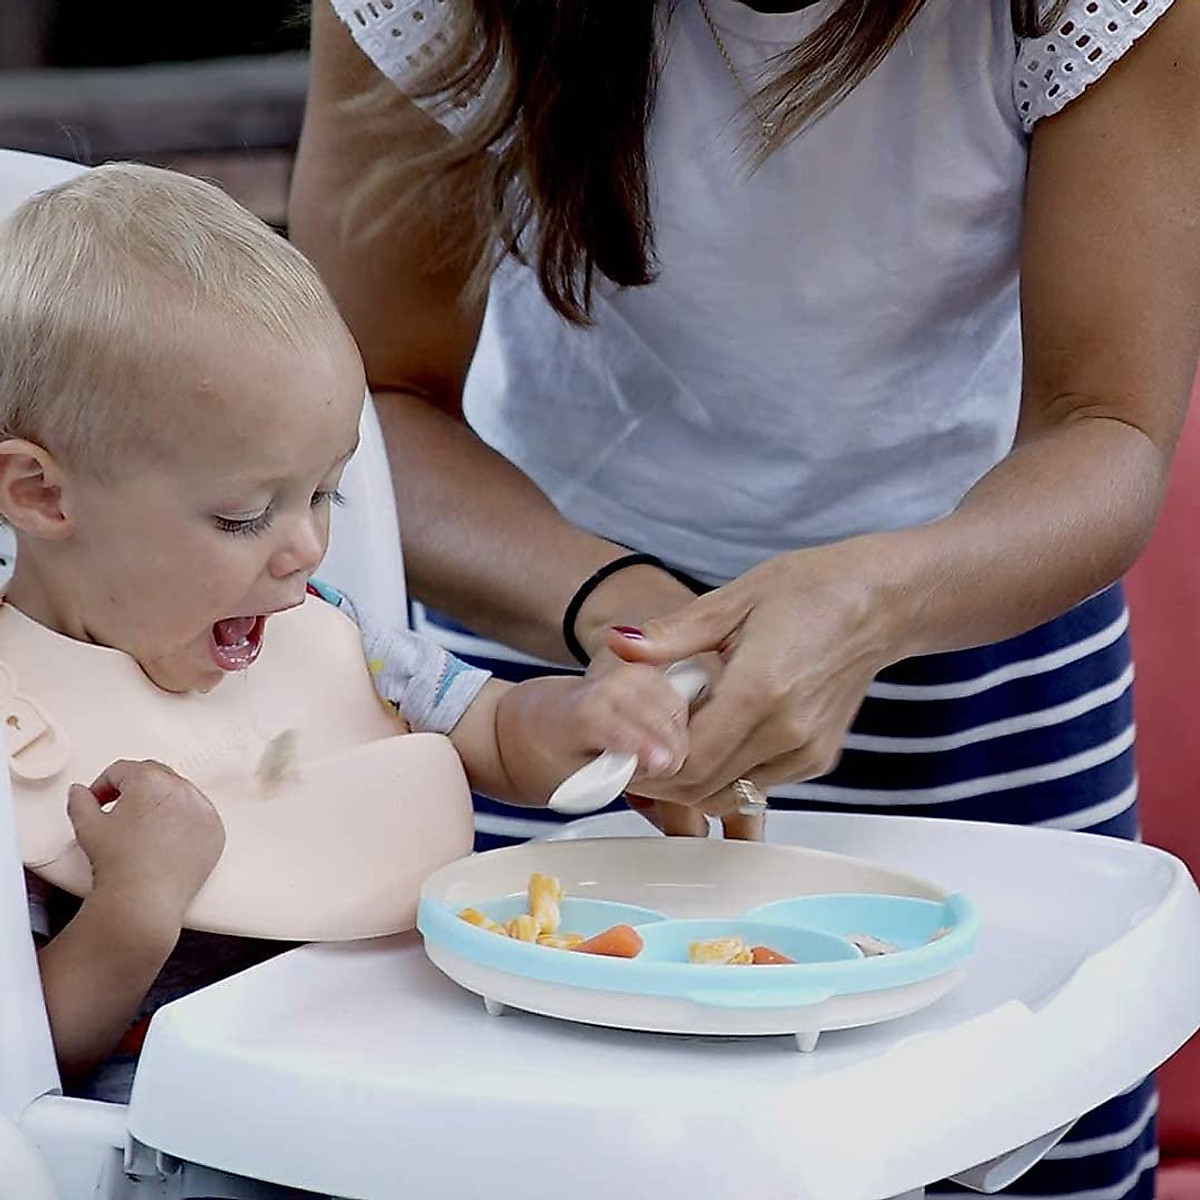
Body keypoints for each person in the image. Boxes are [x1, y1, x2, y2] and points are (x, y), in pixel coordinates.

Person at [290, 0, 1200, 1193]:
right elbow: (365, 405)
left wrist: (878, 600)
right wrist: (626, 615)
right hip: (544, 672)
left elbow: (1111, 428)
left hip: (982, 642)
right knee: (549, 1151)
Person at [0, 162, 693, 1102]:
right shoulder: (16, 723)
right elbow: (27, 1068)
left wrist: (589, 718)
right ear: (41, 494)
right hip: (184, 1131)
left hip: (423, 1067)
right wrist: (133, 907)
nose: (309, 549)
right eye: (246, 515)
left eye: (329, 492)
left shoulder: (337, 636)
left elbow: (491, 732)